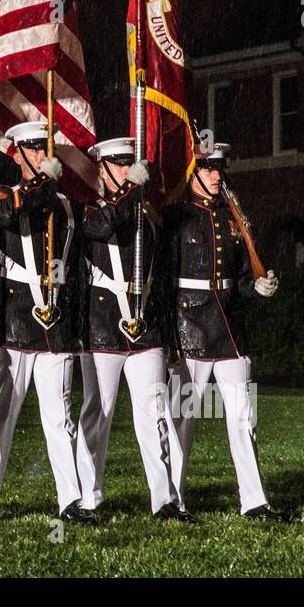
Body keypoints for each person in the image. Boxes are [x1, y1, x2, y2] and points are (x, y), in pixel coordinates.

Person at [162, 143, 290, 521]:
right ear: (193, 172)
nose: (217, 175)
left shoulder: (233, 217)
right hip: (189, 326)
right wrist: (168, 334)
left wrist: (257, 287)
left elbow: (236, 279)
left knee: (242, 417)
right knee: (182, 419)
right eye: (208, 168)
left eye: (220, 168)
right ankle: (173, 499)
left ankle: (253, 501)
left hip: (231, 329)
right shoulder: (177, 216)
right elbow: (165, 282)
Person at [0, 120, 92, 523]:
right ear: (19, 154)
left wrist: (77, 327)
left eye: (48, 149)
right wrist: (39, 183)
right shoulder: (1, 193)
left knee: (59, 417)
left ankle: (71, 501)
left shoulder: (65, 204)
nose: (47, 156)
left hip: (55, 323)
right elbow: (7, 214)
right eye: (37, 150)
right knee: (2, 414)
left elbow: (74, 268)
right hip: (14, 322)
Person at [75, 137, 191, 521]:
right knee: (98, 413)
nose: (126, 170)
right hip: (104, 325)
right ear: (102, 171)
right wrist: (130, 192)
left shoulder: (149, 216)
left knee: (154, 414)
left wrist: (169, 332)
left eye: (130, 164)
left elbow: (163, 279)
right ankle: (89, 499)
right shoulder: (90, 210)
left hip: (147, 329)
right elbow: (108, 225)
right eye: (119, 165)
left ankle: (165, 500)